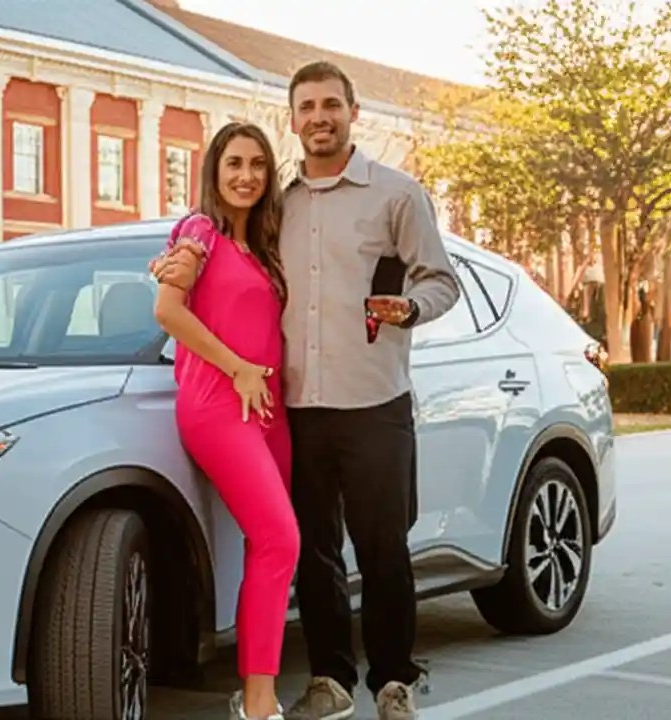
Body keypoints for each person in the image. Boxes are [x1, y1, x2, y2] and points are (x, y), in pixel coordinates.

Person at [152, 61, 460, 720]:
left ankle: (394, 680)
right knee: (312, 552)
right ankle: (329, 679)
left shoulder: (397, 195)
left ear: (353, 112)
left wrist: (408, 308)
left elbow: (442, 280)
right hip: (296, 408)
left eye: (331, 105)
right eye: (307, 108)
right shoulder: (275, 205)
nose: (319, 117)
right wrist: (169, 252)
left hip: (375, 400)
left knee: (382, 547)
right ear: (292, 121)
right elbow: (210, 257)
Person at [152, 121, 299, 720]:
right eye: (234, 164)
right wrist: (238, 367)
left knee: (270, 549)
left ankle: (256, 689)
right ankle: (259, 707)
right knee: (279, 539)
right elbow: (167, 309)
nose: (246, 176)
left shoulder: (263, 247)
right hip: (218, 403)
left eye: (258, 165)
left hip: (269, 412)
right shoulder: (199, 231)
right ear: (214, 171)